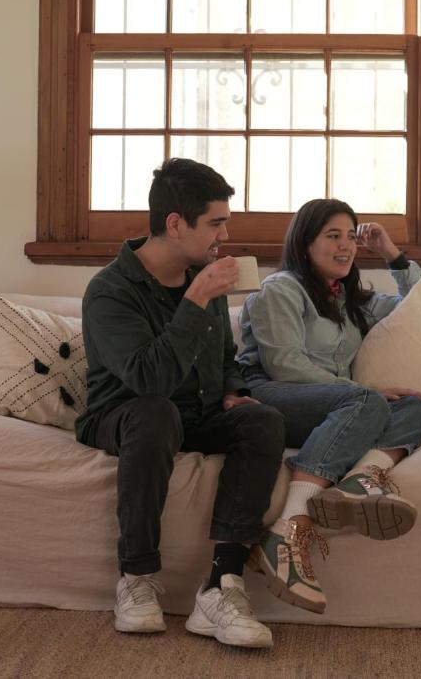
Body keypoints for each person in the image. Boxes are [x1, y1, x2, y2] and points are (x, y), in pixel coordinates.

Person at [76, 158, 285, 649]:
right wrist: (193, 301)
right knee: (156, 411)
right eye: (215, 222)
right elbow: (150, 379)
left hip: (198, 412)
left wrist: (234, 391)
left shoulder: (204, 277)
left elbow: (226, 357)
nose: (224, 234)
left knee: (264, 422)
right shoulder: (111, 291)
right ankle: (137, 578)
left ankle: (221, 586)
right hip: (126, 415)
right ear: (175, 223)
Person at [237, 198, 421, 614]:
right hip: (271, 395)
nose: (345, 245)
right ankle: (289, 527)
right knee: (367, 397)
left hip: (335, 408)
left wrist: (391, 253)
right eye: (332, 236)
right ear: (305, 243)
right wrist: (360, 394)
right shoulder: (281, 289)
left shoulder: (350, 298)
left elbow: (420, 309)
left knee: (416, 407)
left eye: (350, 237)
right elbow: (285, 366)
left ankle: (358, 480)